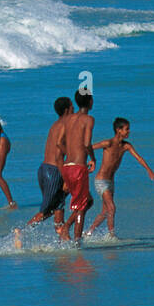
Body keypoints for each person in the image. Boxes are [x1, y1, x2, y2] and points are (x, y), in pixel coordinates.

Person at [86, 117, 154, 238]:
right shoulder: (108, 143)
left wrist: (149, 171)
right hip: (101, 181)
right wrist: (91, 160)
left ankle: (88, 233)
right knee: (112, 207)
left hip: (110, 182)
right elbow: (88, 147)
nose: (129, 131)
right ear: (119, 130)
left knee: (105, 211)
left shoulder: (126, 146)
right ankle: (111, 236)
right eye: (126, 129)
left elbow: (139, 158)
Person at [27, 96, 72, 237]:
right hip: (54, 171)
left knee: (58, 205)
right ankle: (22, 232)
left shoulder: (56, 124)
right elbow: (63, 151)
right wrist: (66, 177)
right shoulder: (67, 125)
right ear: (67, 109)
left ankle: (62, 237)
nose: (74, 109)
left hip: (45, 168)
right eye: (72, 107)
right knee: (49, 209)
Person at [60, 89, 96, 239]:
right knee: (81, 207)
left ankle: (67, 226)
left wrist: (69, 154)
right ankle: (76, 243)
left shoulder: (68, 119)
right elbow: (87, 143)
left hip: (67, 166)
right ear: (90, 102)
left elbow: (58, 142)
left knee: (88, 201)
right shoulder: (88, 119)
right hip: (78, 167)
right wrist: (92, 158)